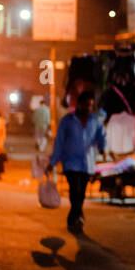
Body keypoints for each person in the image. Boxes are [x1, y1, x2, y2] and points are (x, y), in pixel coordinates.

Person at [46, 91, 109, 235]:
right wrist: (53, 162)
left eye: (91, 106)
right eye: (86, 105)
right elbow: (59, 142)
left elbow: (101, 136)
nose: (88, 108)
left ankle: (74, 216)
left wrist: (103, 149)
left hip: (87, 163)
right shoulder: (67, 121)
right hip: (70, 163)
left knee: (82, 192)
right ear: (79, 105)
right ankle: (78, 216)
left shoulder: (95, 121)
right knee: (75, 189)